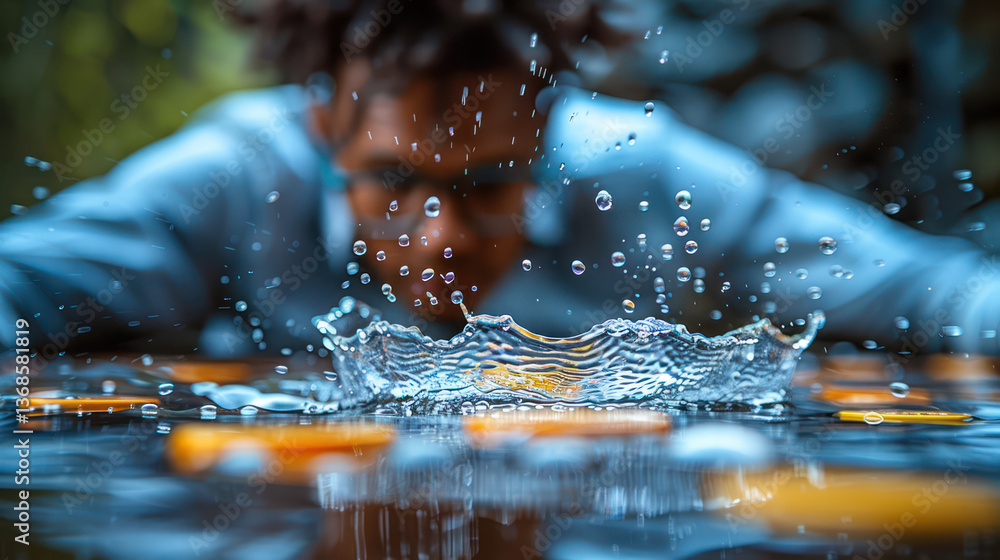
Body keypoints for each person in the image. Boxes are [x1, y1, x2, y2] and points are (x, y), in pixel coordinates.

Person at [2, 0, 998, 364]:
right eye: (391, 179)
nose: (439, 235)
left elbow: (939, 293)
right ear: (320, 127)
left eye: (488, 184)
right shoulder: (231, 180)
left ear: (552, 129)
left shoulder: (645, 176)